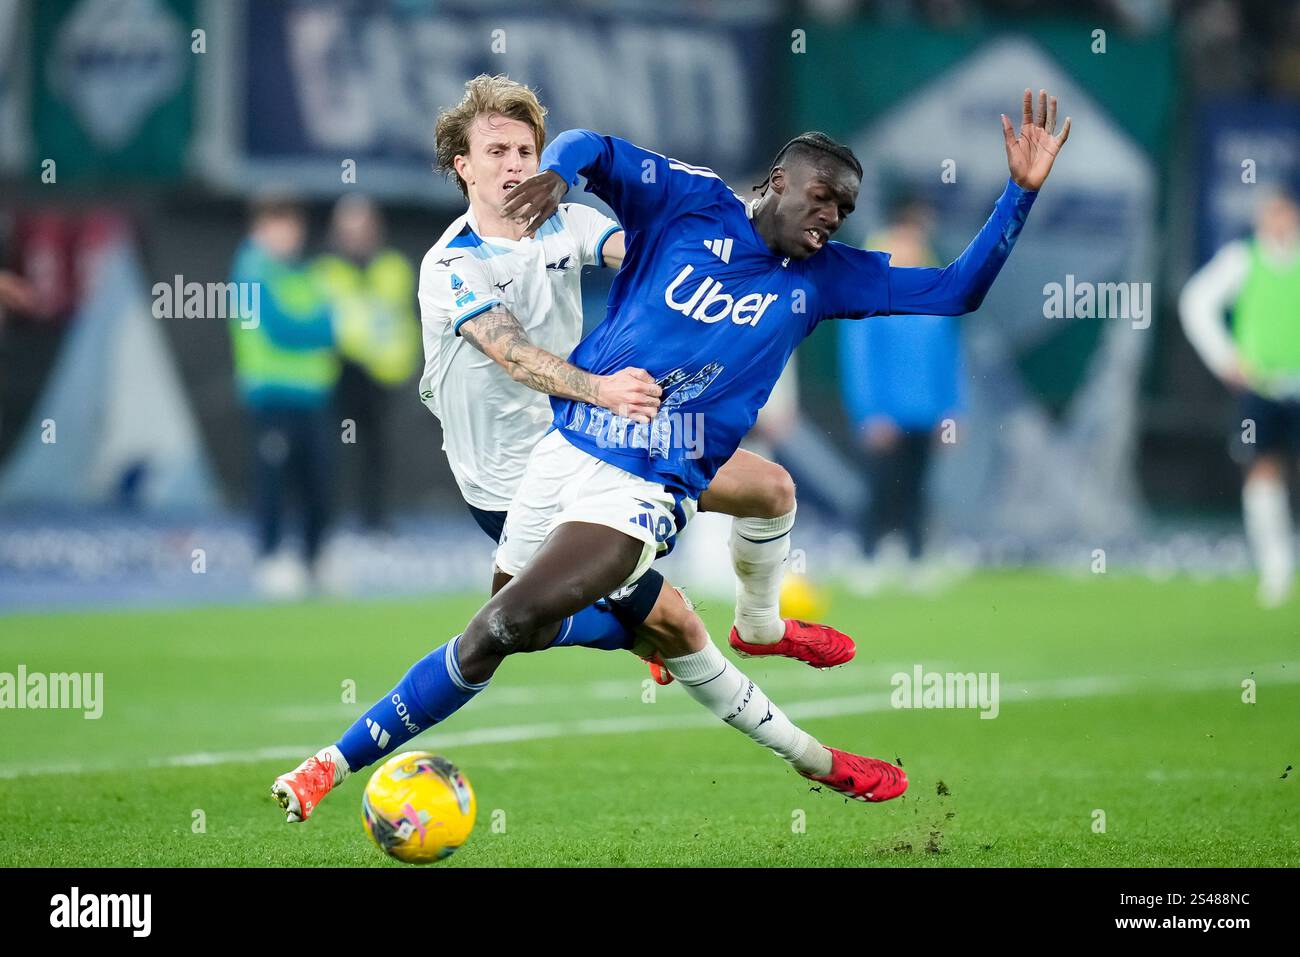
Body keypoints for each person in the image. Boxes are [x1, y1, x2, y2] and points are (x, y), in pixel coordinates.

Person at [271, 88, 1069, 821]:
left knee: (518, 616)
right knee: (550, 627)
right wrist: (560, 173)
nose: (833, 219)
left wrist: (1020, 193)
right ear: (779, 181)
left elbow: (957, 289)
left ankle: (325, 765)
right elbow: (594, 154)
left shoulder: (824, 279)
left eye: (846, 208)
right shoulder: (676, 206)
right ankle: (705, 646)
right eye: (823, 199)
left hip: (644, 479)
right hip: (548, 454)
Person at [1179, 187, 1300, 608]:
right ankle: (1277, 568)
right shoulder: (1243, 259)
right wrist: (1226, 359)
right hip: (1262, 388)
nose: (1278, 222)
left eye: (1285, 213)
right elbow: (1196, 301)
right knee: (1262, 472)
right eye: (1271, 214)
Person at [839, 196, 961, 577]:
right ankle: (867, 557)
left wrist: (953, 410)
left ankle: (916, 558)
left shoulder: (935, 297)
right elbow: (860, 363)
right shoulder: (870, 298)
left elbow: (949, 359)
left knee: (918, 488)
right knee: (879, 487)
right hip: (885, 415)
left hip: (926, 412)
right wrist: (871, 414)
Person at [229, 195, 338, 598]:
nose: (294, 235)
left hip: (312, 396)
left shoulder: (302, 273)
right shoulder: (252, 269)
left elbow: (328, 316)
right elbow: (284, 330)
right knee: (273, 480)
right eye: (285, 225)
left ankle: (314, 558)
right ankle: (270, 558)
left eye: (296, 226)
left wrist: (326, 325)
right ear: (263, 226)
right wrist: (326, 330)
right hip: (271, 395)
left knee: (318, 481)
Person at [313, 196, 421, 532]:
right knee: (329, 447)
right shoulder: (325, 271)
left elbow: (400, 319)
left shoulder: (393, 268)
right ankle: (324, 516)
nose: (357, 236)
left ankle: (373, 517)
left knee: (376, 449)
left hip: (381, 373)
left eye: (363, 228)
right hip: (336, 369)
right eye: (349, 229)